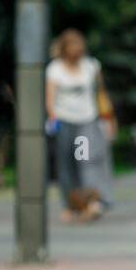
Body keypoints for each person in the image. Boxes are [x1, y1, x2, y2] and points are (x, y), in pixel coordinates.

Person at [46, 29, 116, 222]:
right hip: (64, 121)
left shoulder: (91, 66)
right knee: (66, 165)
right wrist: (53, 120)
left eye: (79, 45)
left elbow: (101, 93)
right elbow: (50, 99)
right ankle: (70, 205)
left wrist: (108, 118)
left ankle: (92, 203)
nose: (77, 49)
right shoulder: (55, 69)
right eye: (72, 46)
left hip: (86, 121)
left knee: (85, 160)